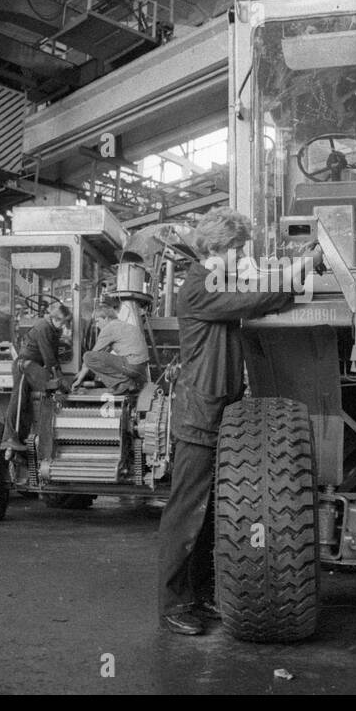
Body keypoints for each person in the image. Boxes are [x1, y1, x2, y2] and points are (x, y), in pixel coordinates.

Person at [158, 207, 322, 636]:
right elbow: (253, 299)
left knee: (210, 513)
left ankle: (200, 596)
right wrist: (298, 274)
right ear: (217, 249)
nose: (242, 255)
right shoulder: (197, 285)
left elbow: (252, 289)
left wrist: (290, 270)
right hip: (200, 413)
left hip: (218, 409)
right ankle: (174, 604)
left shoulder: (214, 280)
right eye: (238, 248)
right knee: (186, 514)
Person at [1, 301, 71, 452]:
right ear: (55, 319)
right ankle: (9, 439)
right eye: (63, 323)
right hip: (25, 366)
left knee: (25, 402)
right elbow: (49, 357)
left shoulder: (53, 330)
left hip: (33, 366)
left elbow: (53, 357)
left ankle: (19, 442)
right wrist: (60, 379)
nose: (64, 326)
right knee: (18, 400)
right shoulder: (43, 327)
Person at [73, 305, 149, 395]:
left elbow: (91, 357)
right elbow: (103, 354)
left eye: (98, 321)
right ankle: (126, 383)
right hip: (141, 369)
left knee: (87, 356)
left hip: (132, 366)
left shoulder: (109, 328)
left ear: (106, 318)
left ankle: (123, 382)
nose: (97, 325)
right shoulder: (123, 325)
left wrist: (79, 379)